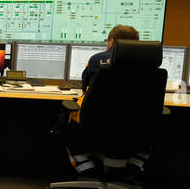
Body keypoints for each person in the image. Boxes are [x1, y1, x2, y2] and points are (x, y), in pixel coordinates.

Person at [58, 24, 141, 177]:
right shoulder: (148, 62)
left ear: (112, 41)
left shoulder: (97, 60)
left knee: (67, 121)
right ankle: (134, 166)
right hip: (135, 125)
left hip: (94, 123)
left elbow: (85, 89)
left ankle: (87, 169)